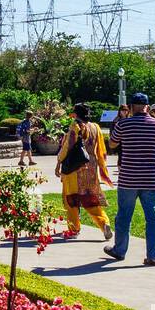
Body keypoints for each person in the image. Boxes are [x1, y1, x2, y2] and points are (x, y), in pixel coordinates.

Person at [104, 92, 155, 267]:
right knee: (153, 218)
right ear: (147, 107)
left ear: (131, 107)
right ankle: (154, 255)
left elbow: (112, 144)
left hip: (129, 178)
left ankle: (120, 250)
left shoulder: (124, 124)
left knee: (124, 215)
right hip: (150, 179)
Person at [55, 103, 114, 241]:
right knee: (90, 199)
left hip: (74, 169)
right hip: (90, 168)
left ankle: (74, 229)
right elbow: (100, 149)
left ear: (76, 114)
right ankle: (104, 223)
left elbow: (67, 147)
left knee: (71, 199)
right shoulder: (95, 127)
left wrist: (59, 161)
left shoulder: (76, 126)